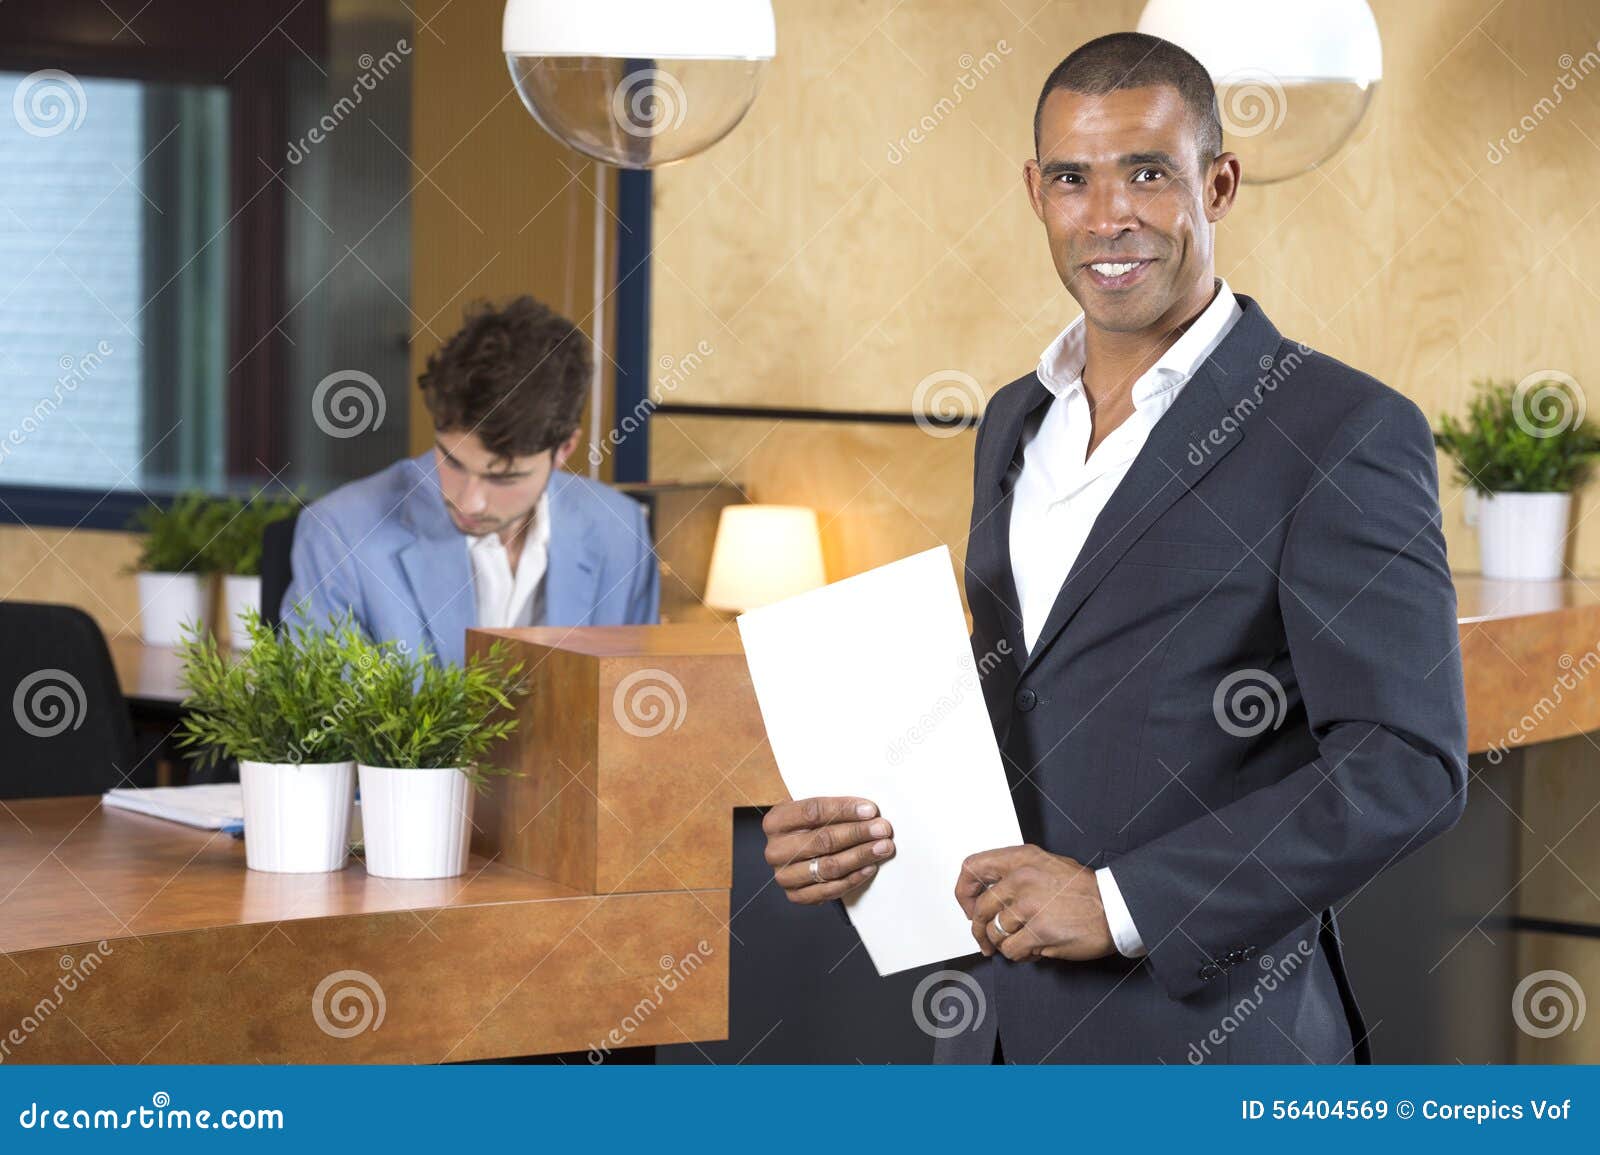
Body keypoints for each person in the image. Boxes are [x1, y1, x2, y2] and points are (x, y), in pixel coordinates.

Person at [759, 32, 1468, 1064]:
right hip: (997, 1029)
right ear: (1034, 193)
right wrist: (854, 828)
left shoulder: (1338, 429)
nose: (1107, 216)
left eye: (1147, 173)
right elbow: (1027, 702)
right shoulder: (1012, 420)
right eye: (1070, 179)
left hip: (1211, 1043)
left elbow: (1406, 766)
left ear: (1217, 183)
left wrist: (1122, 902)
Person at [283, 295, 659, 667]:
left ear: (564, 449)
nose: (469, 501)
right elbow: (328, 722)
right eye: (452, 461)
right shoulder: (340, 534)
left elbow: (629, 707)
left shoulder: (621, 531)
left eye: (503, 477)